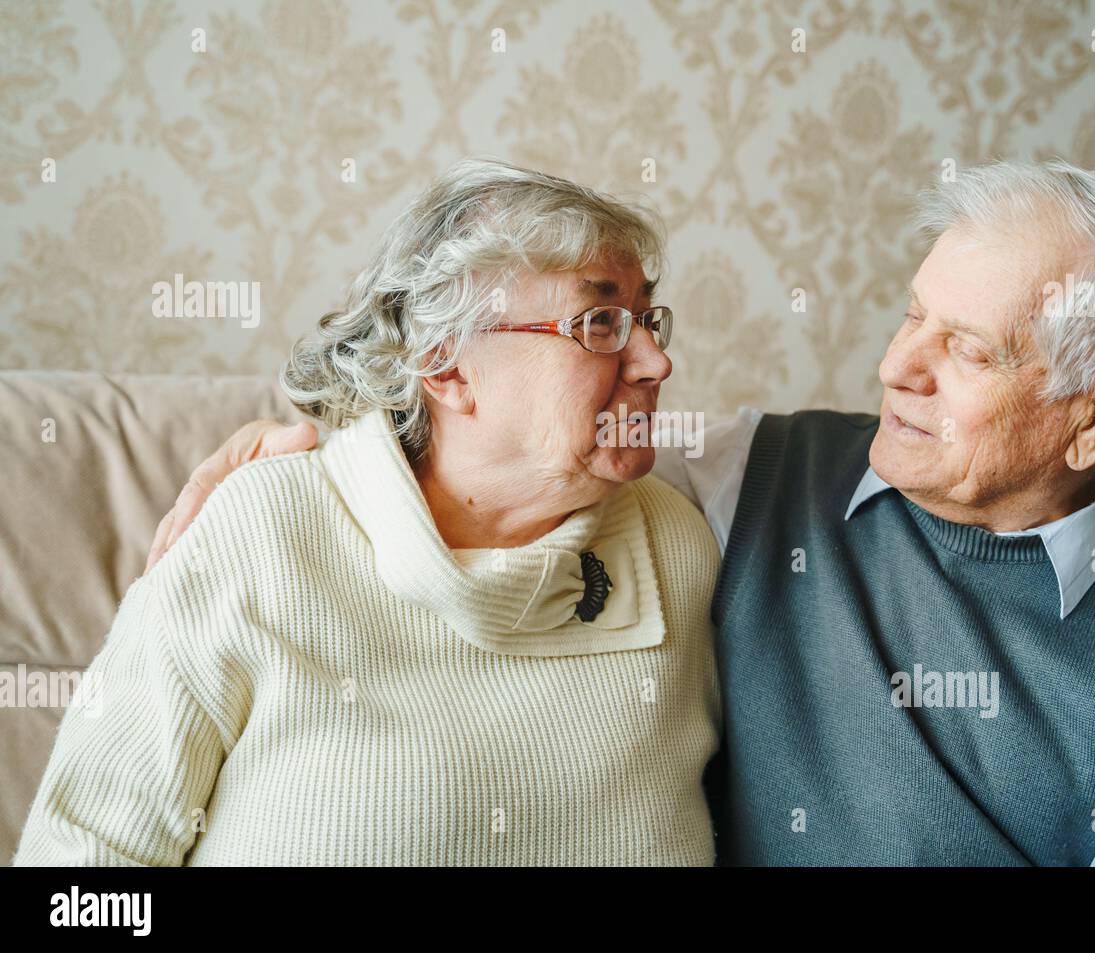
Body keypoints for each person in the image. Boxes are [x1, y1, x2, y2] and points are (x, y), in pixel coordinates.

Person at [144, 160, 1095, 866]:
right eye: (910, 316)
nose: (897, 367)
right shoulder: (755, 479)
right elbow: (510, 439)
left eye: (964, 350)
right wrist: (300, 443)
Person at [15, 159, 721, 866]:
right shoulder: (263, 534)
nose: (654, 361)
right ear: (445, 365)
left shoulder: (680, 547)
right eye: (601, 321)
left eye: (646, 320)